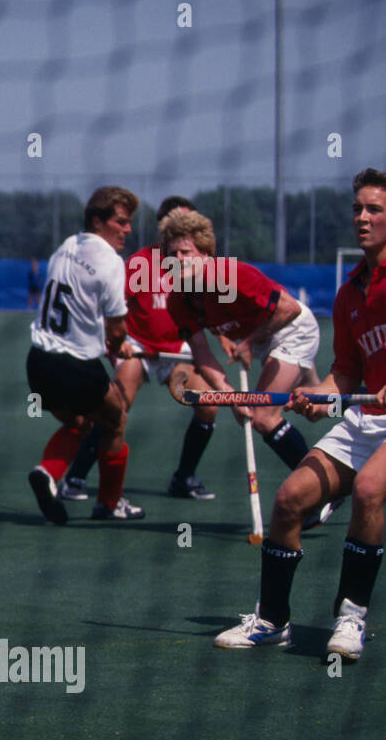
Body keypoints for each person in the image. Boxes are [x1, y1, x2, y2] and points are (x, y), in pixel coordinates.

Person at [215, 168, 386, 660]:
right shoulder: (350, 293)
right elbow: (346, 373)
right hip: (367, 421)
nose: (362, 217)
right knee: (291, 499)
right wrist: (319, 396)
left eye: (374, 209)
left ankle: (350, 618)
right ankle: (272, 620)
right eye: (357, 209)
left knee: (369, 490)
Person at [59, 196, 221, 503]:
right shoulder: (140, 263)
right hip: (140, 349)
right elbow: (112, 307)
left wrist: (225, 339)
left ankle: (184, 477)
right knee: (116, 409)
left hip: (176, 353)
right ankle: (75, 477)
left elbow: (208, 310)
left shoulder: (195, 264)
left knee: (207, 406)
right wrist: (117, 344)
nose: (185, 232)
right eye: (179, 225)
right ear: (163, 228)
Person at [160, 211, 321, 475]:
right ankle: (357, 401)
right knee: (317, 409)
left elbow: (289, 308)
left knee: (263, 418)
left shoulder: (230, 275)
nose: (178, 259)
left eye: (186, 252)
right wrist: (231, 397)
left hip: (292, 329)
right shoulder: (178, 301)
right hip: (262, 341)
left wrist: (248, 342)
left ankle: (317, 486)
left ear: (205, 254)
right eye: (172, 254)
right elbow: (202, 353)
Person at [26, 186, 143, 524]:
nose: (127, 230)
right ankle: (109, 504)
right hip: (76, 367)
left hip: (38, 363)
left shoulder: (65, 246)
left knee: (81, 423)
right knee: (116, 419)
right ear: (97, 220)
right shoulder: (111, 262)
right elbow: (116, 329)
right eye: (120, 222)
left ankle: (47, 473)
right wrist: (118, 346)